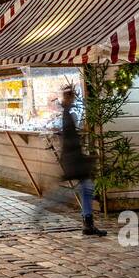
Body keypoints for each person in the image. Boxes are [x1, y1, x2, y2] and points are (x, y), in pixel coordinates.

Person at [58, 85, 106, 236]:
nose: (73, 99)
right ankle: (88, 223)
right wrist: (84, 156)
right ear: (68, 98)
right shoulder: (67, 114)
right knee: (85, 189)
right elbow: (69, 139)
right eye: (72, 96)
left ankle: (88, 223)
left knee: (86, 188)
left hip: (73, 158)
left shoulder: (67, 112)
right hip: (74, 159)